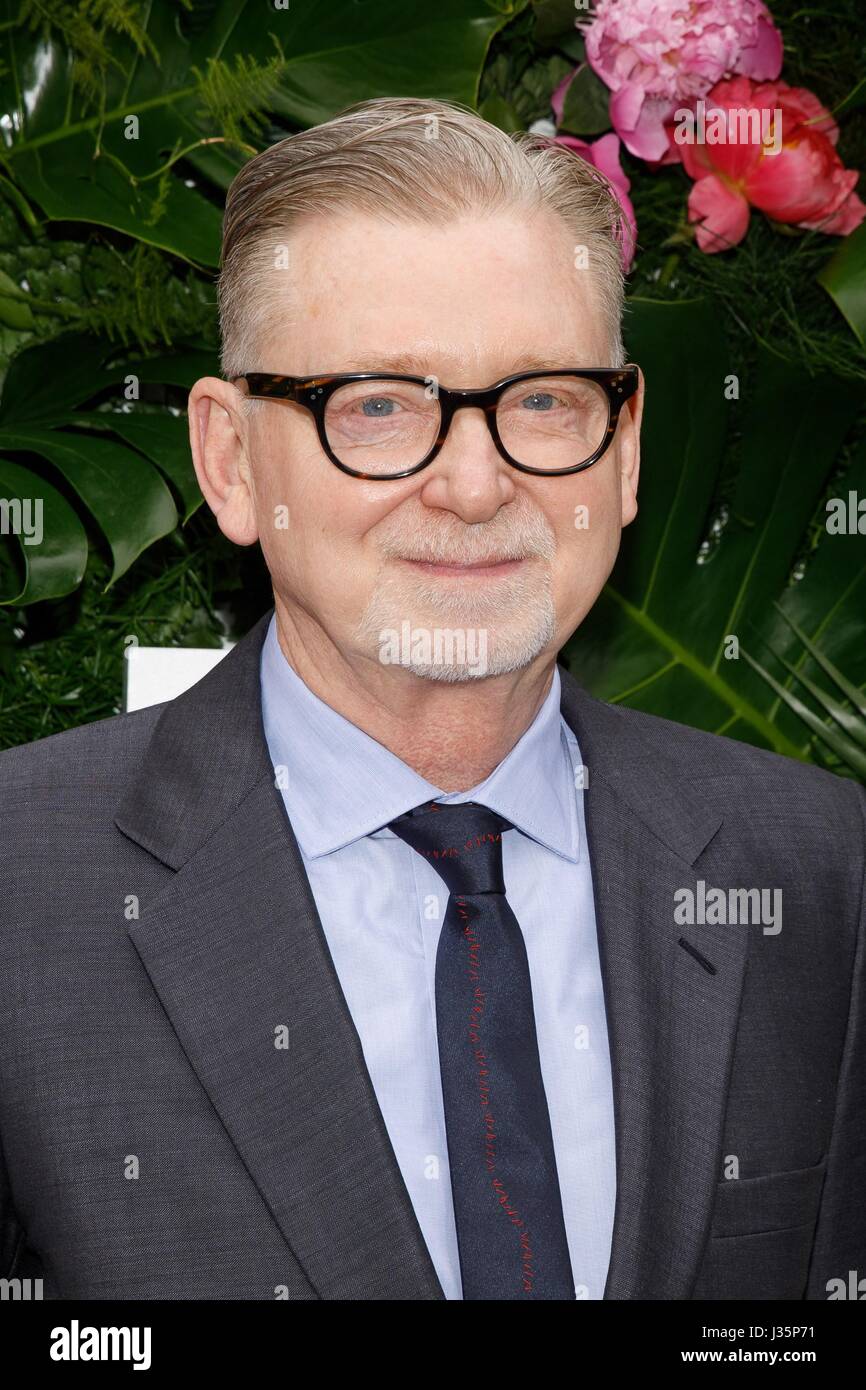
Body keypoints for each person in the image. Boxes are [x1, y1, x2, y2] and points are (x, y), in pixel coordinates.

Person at [1, 98, 863, 1301]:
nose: (472, 482)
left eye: (543, 400)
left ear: (621, 453)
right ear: (230, 461)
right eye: (377, 407)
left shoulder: (822, 869)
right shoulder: (19, 891)